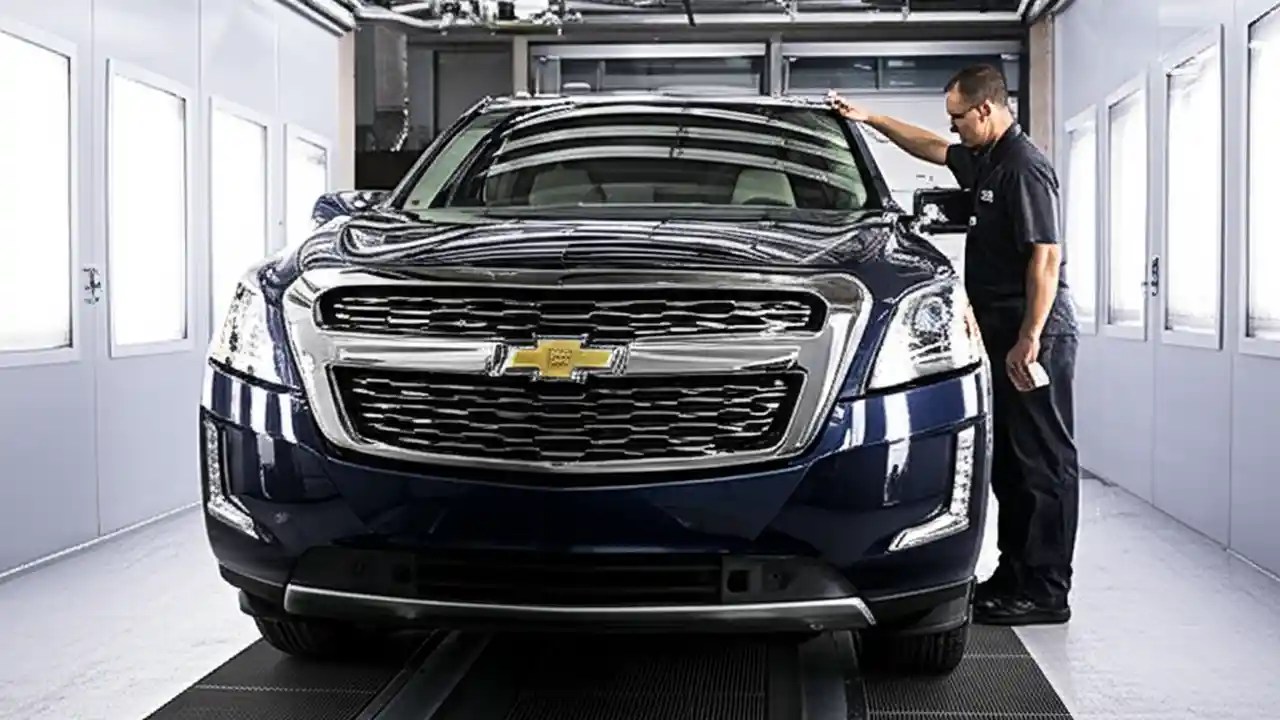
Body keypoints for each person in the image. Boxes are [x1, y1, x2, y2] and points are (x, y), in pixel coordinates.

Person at [828, 64, 1080, 626]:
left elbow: (1046, 257)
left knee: (1042, 463)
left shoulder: (1024, 167)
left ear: (985, 110)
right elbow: (933, 149)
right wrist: (869, 118)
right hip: (1001, 330)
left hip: (1032, 332)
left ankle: (1045, 590)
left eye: (959, 117)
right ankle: (1013, 575)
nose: (954, 128)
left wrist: (1029, 339)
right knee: (1011, 465)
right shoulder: (988, 158)